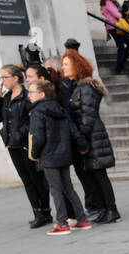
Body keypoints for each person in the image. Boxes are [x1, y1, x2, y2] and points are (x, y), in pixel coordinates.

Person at [27, 78, 91, 236]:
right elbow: (72, 129)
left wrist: (35, 154)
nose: (29, 95)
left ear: (41, 94)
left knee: (55, 190)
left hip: (48, 155)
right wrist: (82, 145)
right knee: (68, 187)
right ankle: (82, 219)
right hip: (63, 154)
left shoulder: (37, 112)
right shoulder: (59, 108)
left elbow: (38, 137)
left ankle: (62, 223)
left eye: (31, 92)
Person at [62, 50, 120, 223]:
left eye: (66, 64)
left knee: (100, 176)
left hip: (92, 138)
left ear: (76, 66)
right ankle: (103, 209)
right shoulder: (78, 87)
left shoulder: (85, 88)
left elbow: (87, 117)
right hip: (89, 137)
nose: (63, 68)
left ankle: (111, 209)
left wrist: (81, 140)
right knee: (94, 176)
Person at [0, 65, 51, 228]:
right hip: (12, 144)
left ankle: (46, 211)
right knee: (26, 179)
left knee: (36, 178)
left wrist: (20, 132)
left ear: (16, 78)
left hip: (25, 143)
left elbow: (32, 120)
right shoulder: (6, 98)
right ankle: (37, 211)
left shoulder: (26, 96)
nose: (2, 81)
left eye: (5, 77)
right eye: (1, 78)